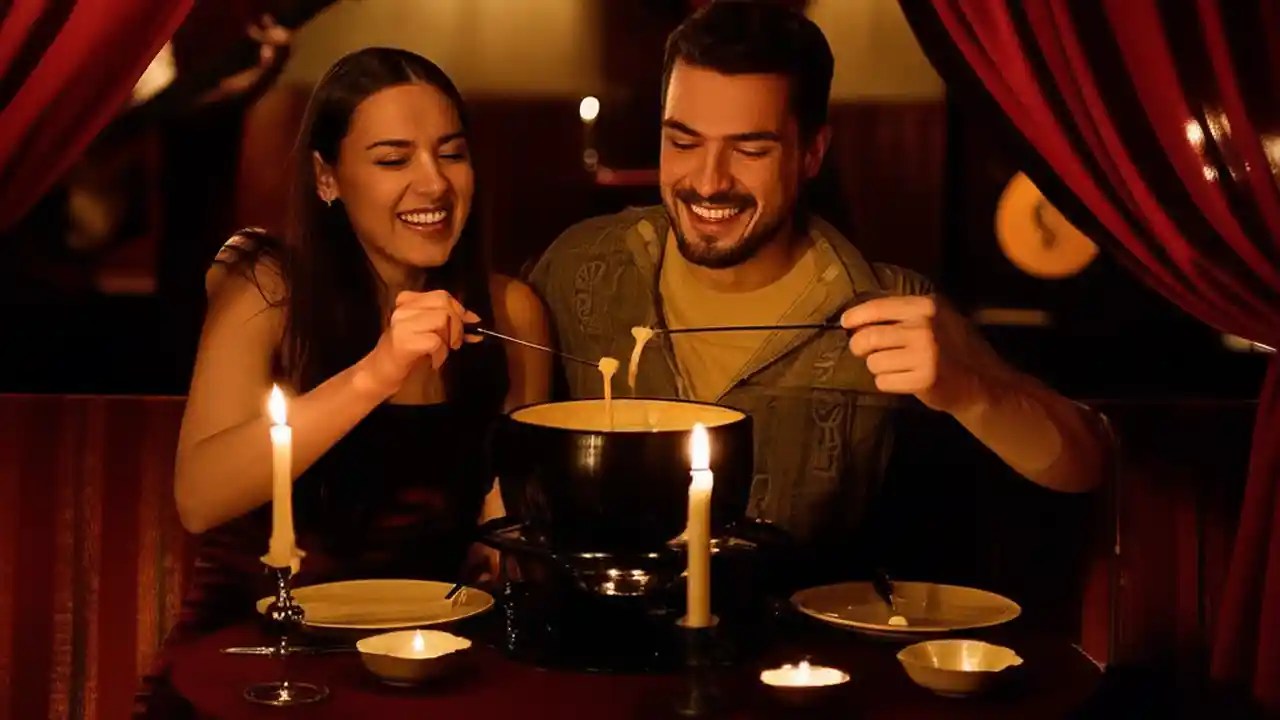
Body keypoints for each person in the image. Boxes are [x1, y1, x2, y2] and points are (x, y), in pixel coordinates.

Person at [528, 2, 1109, 558]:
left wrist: (972, 393)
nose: (707, 181)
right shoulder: (583, 266)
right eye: (683, 142)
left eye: (750, 149)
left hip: (799, 654)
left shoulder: (888, 306)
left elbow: (1086, 462)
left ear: (811, 153)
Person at [170, 46, 551, 639]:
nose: (433, 183)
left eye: (451, 154)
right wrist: (378, 371)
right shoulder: (270, 290)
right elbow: (198, 497)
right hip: (262, 647)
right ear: (328, 178)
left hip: (428, 649)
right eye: (394, 160)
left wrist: (503, 551)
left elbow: (510, 533)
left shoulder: (511, 313)